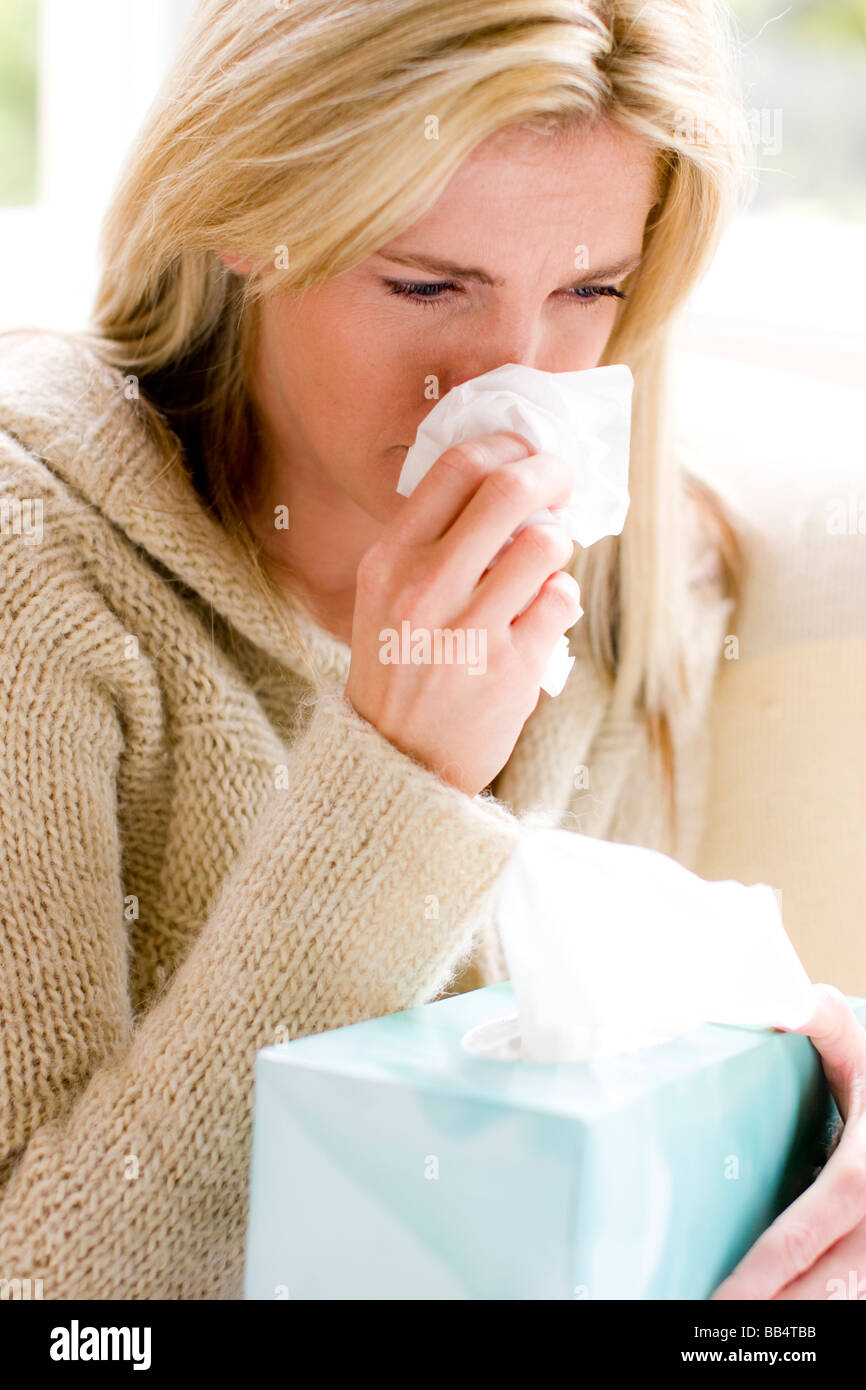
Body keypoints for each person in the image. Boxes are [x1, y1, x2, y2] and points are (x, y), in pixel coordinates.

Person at [0, 0, 862, 1301]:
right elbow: (53, 1298)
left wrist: (807, 1108)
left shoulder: (619, 563)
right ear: (240, 215)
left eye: (586, 290)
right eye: (423, 283)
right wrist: (395, 784)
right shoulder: (38, 568)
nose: (509, 379)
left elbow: (563, 1122)